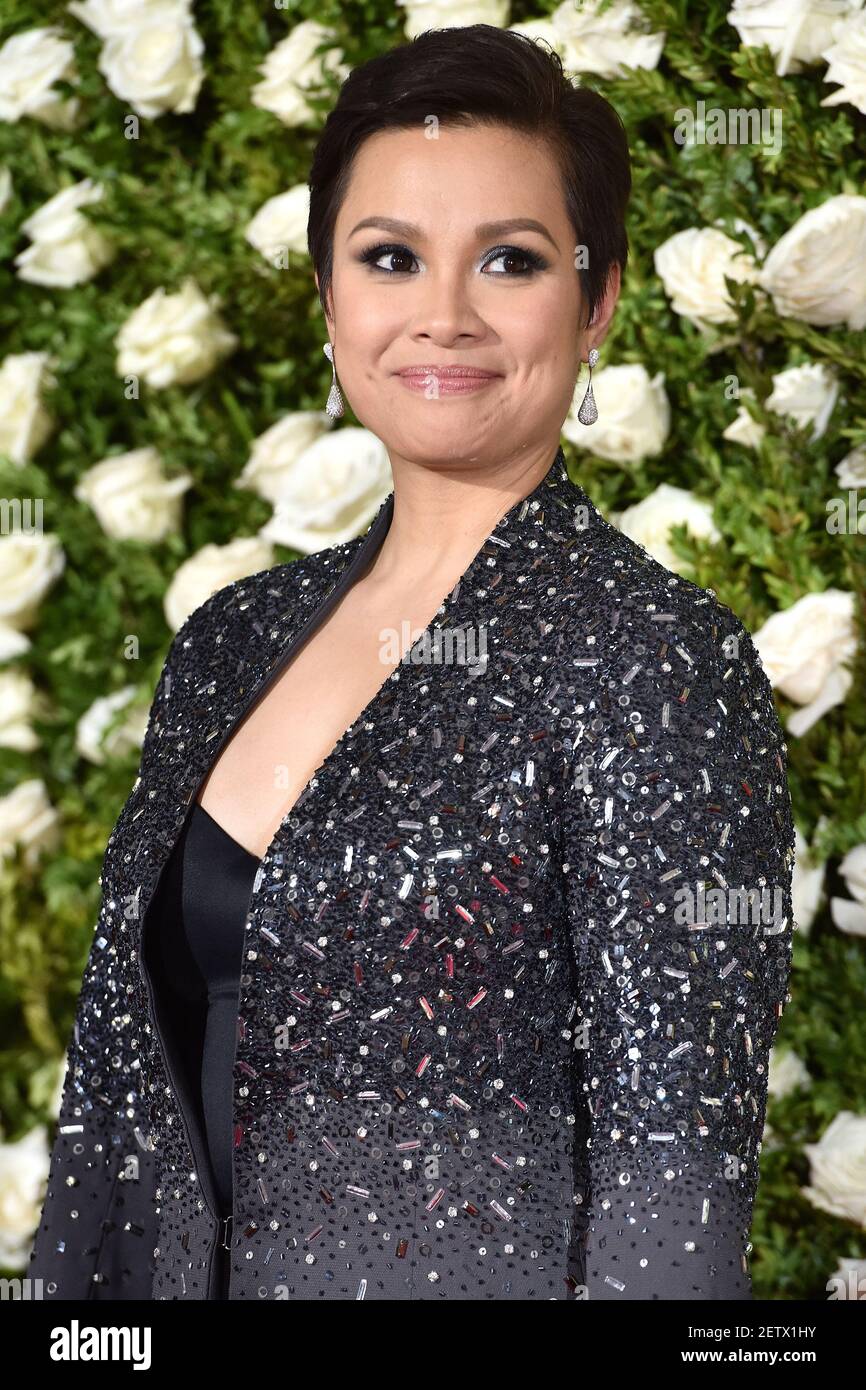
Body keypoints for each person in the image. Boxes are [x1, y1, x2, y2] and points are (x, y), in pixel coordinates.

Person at [29, 24, 795, 1301]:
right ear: (329, 298)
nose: (442, 314)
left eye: (509, 259)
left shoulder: (654, 660)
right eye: (389, 257)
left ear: (596, 300)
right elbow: (118, 1113)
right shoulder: (230, 641)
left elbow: (675, 1185)